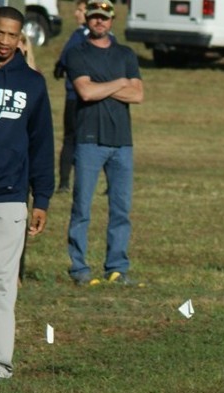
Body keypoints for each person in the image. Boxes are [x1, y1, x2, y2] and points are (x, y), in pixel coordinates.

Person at [0, 6, 55, 379]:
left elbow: (41, 144)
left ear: (21, 38)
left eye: (12, 36)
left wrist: (43, 199)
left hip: (9, 197)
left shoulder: (33, 83)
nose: (4, 42)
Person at [63, 0, 144, 286]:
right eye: (94, 17)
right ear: (87, 19)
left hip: (122, 143)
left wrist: (104, 87)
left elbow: (138, 95)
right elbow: (85, 92)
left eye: (104, 18)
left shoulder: (126, 54)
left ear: (112, 20)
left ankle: (117, 268)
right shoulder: (76, 53)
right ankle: (79, 268)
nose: (99, 22)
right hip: (89, 140)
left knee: (121, 209)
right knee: (82, 207)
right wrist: (121, 82)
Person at [54, 0, 91, 194]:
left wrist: (60, 67)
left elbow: (64, 59)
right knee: (77, 139)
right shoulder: (80, 35)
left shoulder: (79, 36)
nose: (77, 14)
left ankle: (66, 182)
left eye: (81, 10)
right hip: (81, 95)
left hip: (77, 96)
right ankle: (67, 182)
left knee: (72, 139)